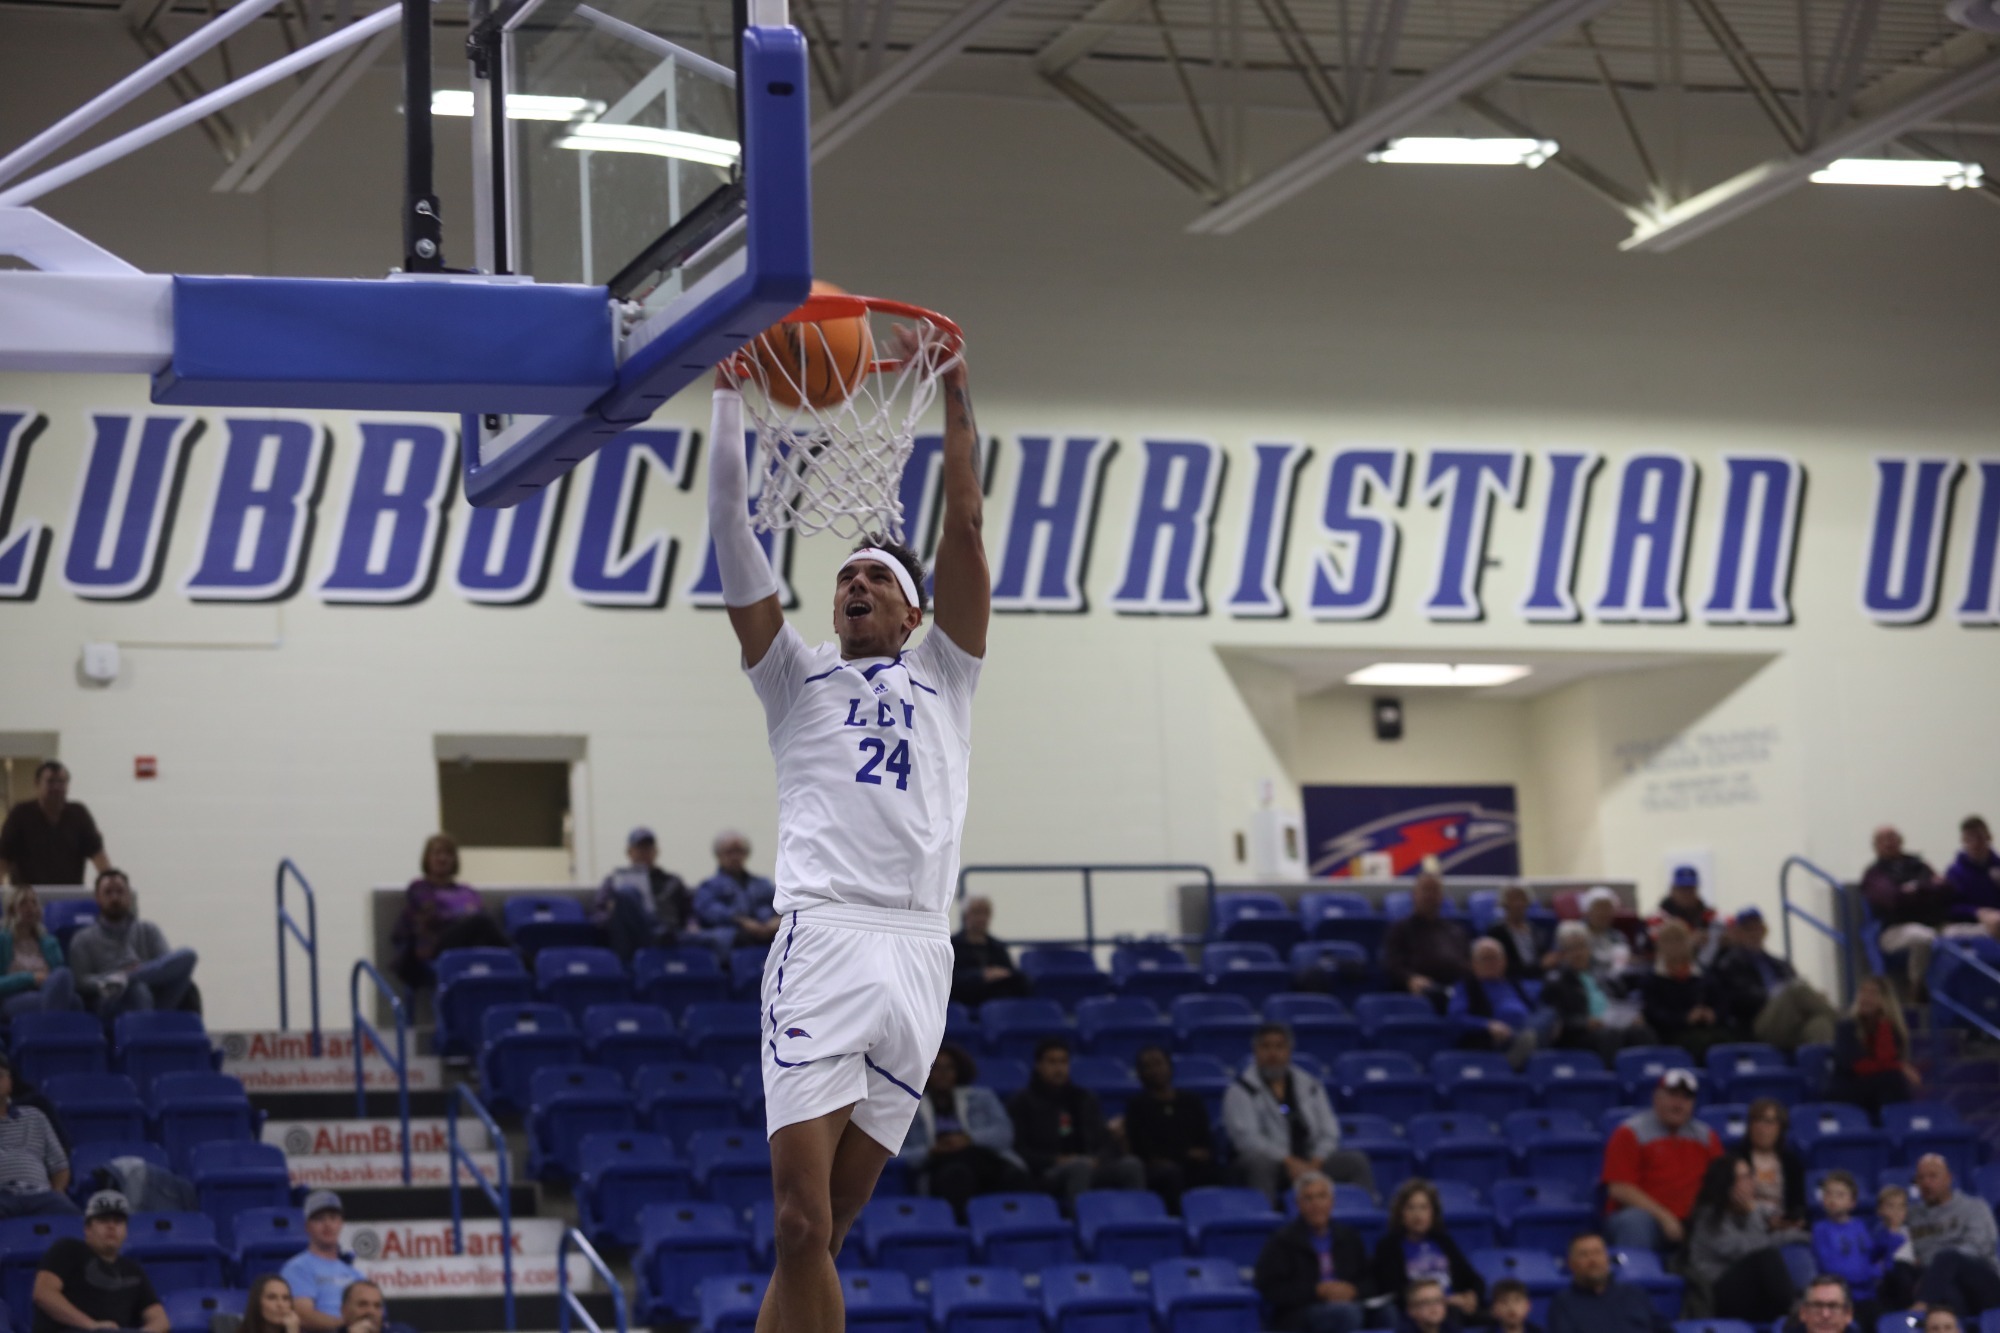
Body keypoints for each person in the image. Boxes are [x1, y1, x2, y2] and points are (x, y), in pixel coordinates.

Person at [707, 333, 988, 1333]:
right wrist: (730, 399)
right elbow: (733, 535)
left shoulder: (946, 676)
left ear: (912, 613)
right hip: (824, 938)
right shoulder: (796, 678)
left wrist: (954, 391)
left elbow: (962, 518)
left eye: (874, 578)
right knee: (796, 1219)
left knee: (829, 1228)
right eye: (843, 578)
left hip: (917, 953)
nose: (854, 585)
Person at [1222, 1022, 1375, 1201]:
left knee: (1355, 1162)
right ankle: (1264, 1222)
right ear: (1255, 1050)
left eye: (1279, 1046)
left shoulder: (1310, 1085)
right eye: (1266, 1046)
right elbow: (1247, 1139)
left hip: (1311, 1161)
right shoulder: (1240, 1090)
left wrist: (1317, 1160)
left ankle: (1358, 1218)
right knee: (1259, 1164)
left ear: (1289, 1051)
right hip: (1272, 1164)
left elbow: (1329, 1131)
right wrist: (1288, 1161)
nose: (1273, 1054)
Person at [896, 1043, 1024, 1222]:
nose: (943, 1074)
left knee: (1014, 1175)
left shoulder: (981, 1097)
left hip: (982, 1158)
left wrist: (968, 1139)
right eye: (936, 1068)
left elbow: (1005, 1133)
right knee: (958, 1175)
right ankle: (964, 1232)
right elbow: (895, 1153)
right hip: (939, 1166)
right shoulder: (910, 1107)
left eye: (949, 1068)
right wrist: (930, 1151)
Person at [1601, 1067, 1724, 1251]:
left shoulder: (1706, 1136)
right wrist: (1664, 1217)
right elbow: (1619, 1189)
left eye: (1686, 1098)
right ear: (1656, 1098)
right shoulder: (1630, 1132)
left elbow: (1724, 1181)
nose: (1679, 1104)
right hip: (1648, 1219)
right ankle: (1635, 1277)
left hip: (1693, 1220)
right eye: (1673, 1095)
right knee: (1634, 1221)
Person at [1007, 1039, 1141, 1203]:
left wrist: (1098, 1159)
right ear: (1038, 1066)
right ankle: (1083, 1225)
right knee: (1079, 1167)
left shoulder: (1085, 1098)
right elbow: (1018, 1150)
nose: (1059, 1068)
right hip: (1046, 1172)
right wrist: (1057, 1160)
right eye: (1052, 1062)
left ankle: (1135, 1219)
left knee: (1131, 1164)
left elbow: (1106, 1142)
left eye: (1063, 1062)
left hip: (1091, 1164)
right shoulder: (1022, 1102)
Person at [1686, 1154, 1807, 1321]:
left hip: (1753, 1293)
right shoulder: (1709, 1217)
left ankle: (1813, 1303)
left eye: (1751, 1175)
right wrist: (1753, 1214)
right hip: (1718, 1293)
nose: (1751, 1181)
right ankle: (1802, 1312)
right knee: (1767, 1256)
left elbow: (1773, 1223)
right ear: (1726, 1184)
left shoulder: (1746, 1209)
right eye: (1744, 1177)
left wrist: (1797, 1232)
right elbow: (1752, 1249)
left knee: (1797, 1252)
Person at [66, 870, 199, 1018]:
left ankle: (132, 979)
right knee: (136, 989)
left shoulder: (149, 929)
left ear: (129, 896)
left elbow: (167, 967)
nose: (115, 897)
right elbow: (80, 981)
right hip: (112, 1001)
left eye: (120, 891)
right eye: (108, 892)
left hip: (157, 998)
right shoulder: (83, 939)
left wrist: (131, 975)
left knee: (189, 955)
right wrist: (114, 979)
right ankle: (132, 985)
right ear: (97, 898)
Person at [32, 1190, 168, 1333]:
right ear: (87, 1229)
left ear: (126, 1231)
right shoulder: (68, 1249)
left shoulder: (133, 1270)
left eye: (118, 1222)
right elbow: (43, 1293)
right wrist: (90, 1325)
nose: (111, 1226)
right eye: (103, 1220)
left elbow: (160, 1319)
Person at [387, 835, 508, 992]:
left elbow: (478, 911)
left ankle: (519, 964)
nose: (442, 858)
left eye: (448, 854)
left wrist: (458, 914)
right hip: (436, 946)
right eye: (437, 853)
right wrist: (464, 913)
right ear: (427, 858)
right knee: (479, 922)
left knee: (483, 926)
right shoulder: (420, 888)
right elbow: (436, 914)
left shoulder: (467, 891)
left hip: (467, 944)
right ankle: (526, 963)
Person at [1253, 1172, 1371, 1333]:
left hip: (1348, 1303)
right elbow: (1270, 1289)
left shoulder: (1349, 1237)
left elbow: (1369, 1278)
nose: (1316, 1204)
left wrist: (1354, 1290)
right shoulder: (1282, 1241)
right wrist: (1316, 1291)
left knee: (1387, 1313)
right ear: (1298, 1204)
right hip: (1302, 1312)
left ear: (1332, 1201)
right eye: (1308, 1198)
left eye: (1322, 1196)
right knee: (1347, 1313)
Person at [1711, 908, 1840, 1052]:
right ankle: (1847, 1026)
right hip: (1759, 1022)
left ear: (1764, 931)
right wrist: (1778, 995)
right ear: (1738, 933)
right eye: (1748, 929)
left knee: (1820, 1024)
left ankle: (1824, 1070)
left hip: (1790, 1021)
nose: (1754, 934)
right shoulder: (1730, 964)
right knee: (1796, 990)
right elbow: (1741, 999)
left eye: (1758, 928)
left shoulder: (1780, 964)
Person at [1120, 1045, 1217, 1212]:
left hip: (1194, 1165)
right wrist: (1184, 1153)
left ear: (1170, 1067)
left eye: (1159, 1063)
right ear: (1140, 1073)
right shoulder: (1137, 1106)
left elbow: (1205, 1142)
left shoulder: (1191, 1101)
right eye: (1147, 1066)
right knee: (1171, 1173)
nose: (1155, 1070)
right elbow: (1144, 1149)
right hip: (1156, 1169)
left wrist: (1191, 1153)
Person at [1370, 1179, 1484, 1320]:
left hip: (1453, 1309)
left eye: (1424, 1207)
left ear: (1433, 1213)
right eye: (1411, 1208)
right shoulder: (1388, 1246)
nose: (1418, 1214)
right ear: (1401, 1214)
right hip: (1416, 1312)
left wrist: (1472, 1296)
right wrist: (1443, 1301)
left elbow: (1473, 1279)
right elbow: (1394, 1292)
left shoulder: (1443, 1241)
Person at [1860, 826, 1952, 996]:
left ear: (1901, 840)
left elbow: (1944, 889)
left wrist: (1914, 889)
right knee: (1923, 938)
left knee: (1962, 938)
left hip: (1934, 923)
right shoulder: (1874, 875)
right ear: (1876, 846)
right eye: (1883, 839)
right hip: (1894, 930)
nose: (1889, 843)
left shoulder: (1919, 865)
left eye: (1892, 837)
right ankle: (1917, 988)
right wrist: (1925, 890)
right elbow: (1892, 899)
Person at [1542, 921, 1652, 1060]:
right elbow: (1554, 1018)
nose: (1578, 953)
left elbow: (1620, 1001)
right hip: (1580, 1034)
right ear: (1562, 954)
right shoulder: (1556, 980)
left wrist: (1631, 1016)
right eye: (1572, 949)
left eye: (1582, 947)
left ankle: (1646, 1076)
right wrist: (1585, 1023)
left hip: (1610, 1023)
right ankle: (1611, 1078)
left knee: (1641, 1031)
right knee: (1610, 1034)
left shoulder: (1601, 975)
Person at [1909, 1153, 2000, 1316]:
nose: (1926, 1183)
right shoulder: (1913, 1216)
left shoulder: (1974, 1207)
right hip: (1940, 1285)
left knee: (1948, 1257)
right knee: (1946, 1288)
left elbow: (1979, 1247)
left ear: (1949, 1178)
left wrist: (1938, 1266)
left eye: (1933, 1176)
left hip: (1983, 1282)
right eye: (1921, 1178)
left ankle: (1919, 1310)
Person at [0, 762, 110, 890]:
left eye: (61, 782)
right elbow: (3, 858)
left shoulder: (79, 814)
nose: (56, 787)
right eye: (51, 782)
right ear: (37, 784)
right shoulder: (20, 814)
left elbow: (99, 856)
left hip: (68, 895)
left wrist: (111, 885)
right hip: (28, 899)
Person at [1812, 1169, 1901, 1328]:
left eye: (1840, 1195)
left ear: (1852, 1202)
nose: (1833, 1199)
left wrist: (1891, 1237)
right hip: (1843, 1300)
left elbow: (1871, 1254)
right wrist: (1871, 1272)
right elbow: (1831, 1268)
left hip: (1869, 1297)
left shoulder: (1859, 1225)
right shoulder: (1820, 1230)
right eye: (1828, 1194)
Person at [1639, 918, 1737, 1060]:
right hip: (1671, 1037)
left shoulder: (1704, 974)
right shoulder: (1651, 978)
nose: (1675, 945)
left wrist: (1713, 1014)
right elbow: (1652, 1012)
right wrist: (1685, 1018)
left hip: (1710, 1030)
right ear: (1659, 945)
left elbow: (1723, 1002)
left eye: (1679, 939)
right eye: (1669, 940)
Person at [592, 827, 693, 962]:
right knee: (625, 893)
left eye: (648, 848)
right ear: (629, 852)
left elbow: (690, 912)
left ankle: (659, 932)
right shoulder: (614, 882)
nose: (644, 853)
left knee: (717, 938)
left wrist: (693, 925)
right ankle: (656, 930)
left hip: (671, 936)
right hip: (632, 940)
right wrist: (613, 912)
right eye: (640, 848)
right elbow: (597, 917)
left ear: (656, 852)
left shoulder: (672, 882)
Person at [1830, 975, 1920, 1117]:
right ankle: (1895, 1128)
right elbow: (1858, 1066)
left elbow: (1885, 1059)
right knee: (1892, 1078)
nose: (1866, 997)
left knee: (1892, 1080)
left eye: (1873, 993)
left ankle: (1897, 1128)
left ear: (1885, 1000)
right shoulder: (1846, 1028)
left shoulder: (1891, 1030)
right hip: (1848, 1087)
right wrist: (1899, 1066)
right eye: (1863, 992)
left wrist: (1883, 1027)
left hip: (1877, 1090)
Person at [1545, 1232, 1670, 1333]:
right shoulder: (1563, 1304)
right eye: (1584, 1255)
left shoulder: (1635, 1294)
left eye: (1597, 1252)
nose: (1593, 1260)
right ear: (1571, 1264)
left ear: (1607, 1259)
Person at [0, 1052, 75, 1217]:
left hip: (39, 1193)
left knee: (71, 1217)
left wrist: (58, 1191)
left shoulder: (35, 1115)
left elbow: (60, 1166)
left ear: (10, 1083)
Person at [279, 1191, 365, 1332]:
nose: (328, 1225)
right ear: (307, 1226)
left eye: (333, 1218)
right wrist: (347, 1327)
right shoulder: (296, 1268)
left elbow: (373, 1312)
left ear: (341, 1223)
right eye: (319, 1219)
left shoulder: (355, 1274)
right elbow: (303, 1315)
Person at [1445, 938, 1538, 1068]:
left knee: (1549, 1016)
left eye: (1495, 958)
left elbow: (1533, 1009)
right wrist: (1487, 1025)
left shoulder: (1514, 983)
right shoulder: (1467, 986)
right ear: (1473, 964)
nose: (1491, 963)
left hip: (1527, 1026)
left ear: (1504, 961)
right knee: (1529, 1037)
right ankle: (1506, 1066)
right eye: (1485, 959)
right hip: (1497, 1039)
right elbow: (1455, 1017)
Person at [1382, 871, 1469, 1006]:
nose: (1430, 896)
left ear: (1441, 896)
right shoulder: (1400, 930)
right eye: (1425, 890)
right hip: (1419, 996)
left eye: (1435, 890)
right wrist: (1409, 979)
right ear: (1414, 895)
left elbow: (1466, 964)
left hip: (1457, 993)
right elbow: (1392, 964)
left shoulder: (1455, 931)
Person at [0, 886, 81, 1015]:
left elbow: (59, 978)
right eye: (23, 903)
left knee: (65, 975)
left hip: (46, 992)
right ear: (11, 910)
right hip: (13, 996)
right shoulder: (2, 940)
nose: (31, 908)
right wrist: (31, 978)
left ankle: (48, 1027)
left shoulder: (49, 941)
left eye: (34, 903)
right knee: (69, 1002)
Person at [692, 830, 780, 949]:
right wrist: (740, 921)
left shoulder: (762, 884)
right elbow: (709, 911)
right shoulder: (708, 887)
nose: (735, 857)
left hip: (767, 934)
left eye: (739, 851)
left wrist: (777, 920)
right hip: (733, 940)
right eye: (729, 852)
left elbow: (779, 906)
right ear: (718, 855)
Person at [1729, 1097, 1807, 1226]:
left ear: (1780, 1128)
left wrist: (1792, 1219)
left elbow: (1798, 1204)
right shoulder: (1735, 1158)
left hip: (1783, 1226)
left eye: (1768, 1122)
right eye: (1757, 1121)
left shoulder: (1792, 1162)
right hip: (1746, 1225)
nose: (1761, 1128)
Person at [949, 896, 1028, 1007]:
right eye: (977, 913)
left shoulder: (998, 947)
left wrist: (1002, 974)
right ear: (966, 915)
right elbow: (951, 980)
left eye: (986, 913)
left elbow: (1012, 974)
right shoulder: (952, 946)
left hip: (998, 1000)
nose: (982, 918)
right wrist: (981, 976)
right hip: (965, 1001)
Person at [1484, 884, 1552, 983]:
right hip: (1514, 980)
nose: (1518, 904)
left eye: (1522, 899)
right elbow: (1504, 966)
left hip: (1541, 978)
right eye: (1513, 899)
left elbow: (1543, 956)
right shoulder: (1496, 932)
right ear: (1504, 903)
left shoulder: (1536, 930)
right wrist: (1539, 966)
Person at [1655, 864, 1723, 963]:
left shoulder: (1709, 916)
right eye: (1682, 889)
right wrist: (1687, 943)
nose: (1687, 893)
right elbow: (1655, 950)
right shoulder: (1659, 918)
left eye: (1691, 888)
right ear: (1673, 889)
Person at [1944, 816, 2000, 919]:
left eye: (1979, 837)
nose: (1975, 843)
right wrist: (1977, 912)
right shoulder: (1955, 872)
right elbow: (1950, 907)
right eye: (1969, 838)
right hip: (1971, 923)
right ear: (1963, 841)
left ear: (1989, 837)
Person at [1580, 888, 1635, 989]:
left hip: (1615, 985)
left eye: (1607, 909)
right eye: (1599, 908)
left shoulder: (1618, 936)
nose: (1603, 913)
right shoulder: (1577, 935)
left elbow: (1623, 964)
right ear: (1588, 911)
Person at [1396, 1278, 1467, 1333]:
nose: (1434, 1306)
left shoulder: (1453, 1329)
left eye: (1438, 1300)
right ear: (1411, 1309)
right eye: (1426, 1302)